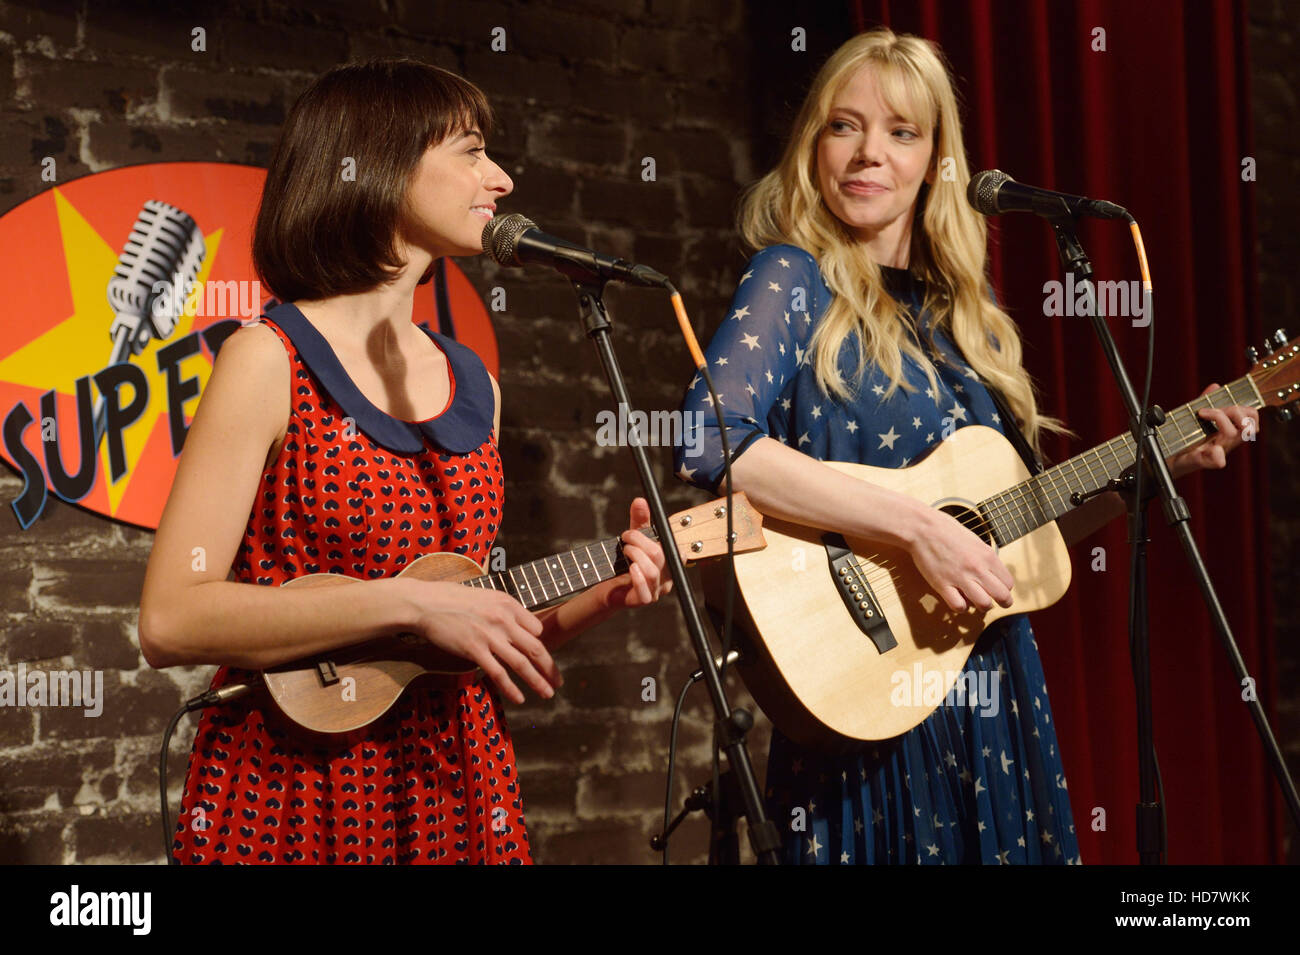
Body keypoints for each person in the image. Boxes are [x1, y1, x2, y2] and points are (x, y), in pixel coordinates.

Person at [673, 28, 1257, 865]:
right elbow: (707, 442)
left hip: (994, 702)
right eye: (844, 125)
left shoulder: (964, 317)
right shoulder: (792, 275)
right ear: (812, 144)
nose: (869, 152)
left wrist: (1158, 465)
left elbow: (1010, 531)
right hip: (865, 704)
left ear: (938, 159)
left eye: (902, 133)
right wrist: (914, 528)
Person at [139, 58, 669, 865]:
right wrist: (411, 605)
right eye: (470, 150)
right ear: (379, 166)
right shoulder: (269, 357)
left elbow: (460, 631)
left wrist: (607, 594)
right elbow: (172, 618)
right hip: (297, 787)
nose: (501, 176)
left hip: (452, 778)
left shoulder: (473, 384)